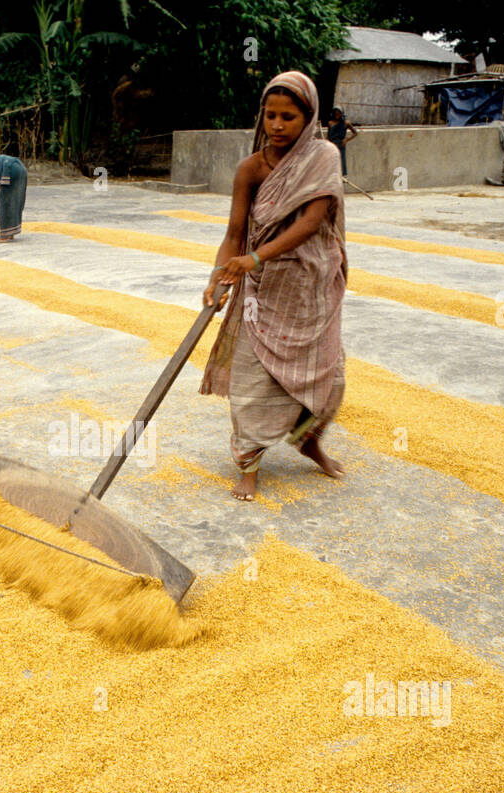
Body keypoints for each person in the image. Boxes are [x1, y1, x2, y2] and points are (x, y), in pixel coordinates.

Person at [199, 71, 347, 502]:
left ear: (309, 118)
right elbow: (234, 231)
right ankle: (249, 465)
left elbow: (312, 221)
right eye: (270, 116)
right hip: (261, 290)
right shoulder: (251, 167)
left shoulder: (323, 156)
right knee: (252, 380)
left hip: (311, 285)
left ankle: (309, 441)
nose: (278, 125)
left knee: (327, 378)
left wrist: (256, 256)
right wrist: (219, 275)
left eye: (289, 117)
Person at [326, 106, 357, 176]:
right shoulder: (330, 123)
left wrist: (346, 139)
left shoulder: (346, 123)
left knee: (341, 164)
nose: (337, 115)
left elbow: (355, 133)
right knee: (332, 164)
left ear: (342, 114)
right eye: (336, 114)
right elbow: (328, 136)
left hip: (341, 145)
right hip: (332, 145)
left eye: (339, 113)